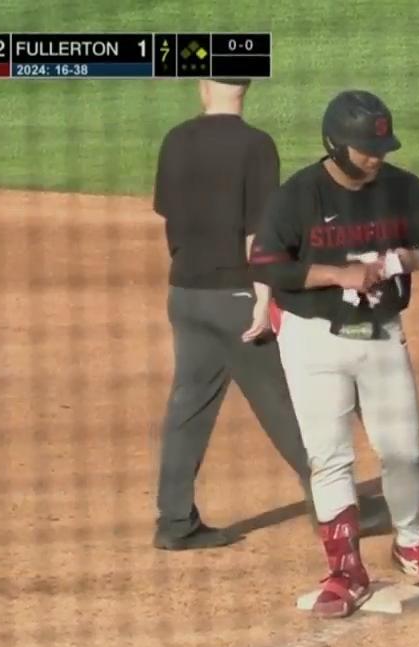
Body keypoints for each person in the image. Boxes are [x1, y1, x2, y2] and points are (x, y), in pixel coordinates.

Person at [150, 78, 388, 551]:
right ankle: (332, 507)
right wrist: (263, 299)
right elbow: (258, 235)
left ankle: (174, 522)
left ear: (203, 86)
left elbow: (168, 214)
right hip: (236, 294)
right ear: (246, 87)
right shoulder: (256, 145)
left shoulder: (176, 138)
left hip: (184, 289)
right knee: (290, 402)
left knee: (187, 406)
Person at [248, 89, 419, 618]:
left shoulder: (400, 187)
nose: (376, 157)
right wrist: (334, 273)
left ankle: (410, 544)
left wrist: (407, 258)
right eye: (367, 148)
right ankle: (345, 571)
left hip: (382, 334)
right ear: (337, 145)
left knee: (404, 449)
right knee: (330, 457)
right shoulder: (298, 196)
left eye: (381, 147)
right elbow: (268, 263)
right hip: (314, 340)